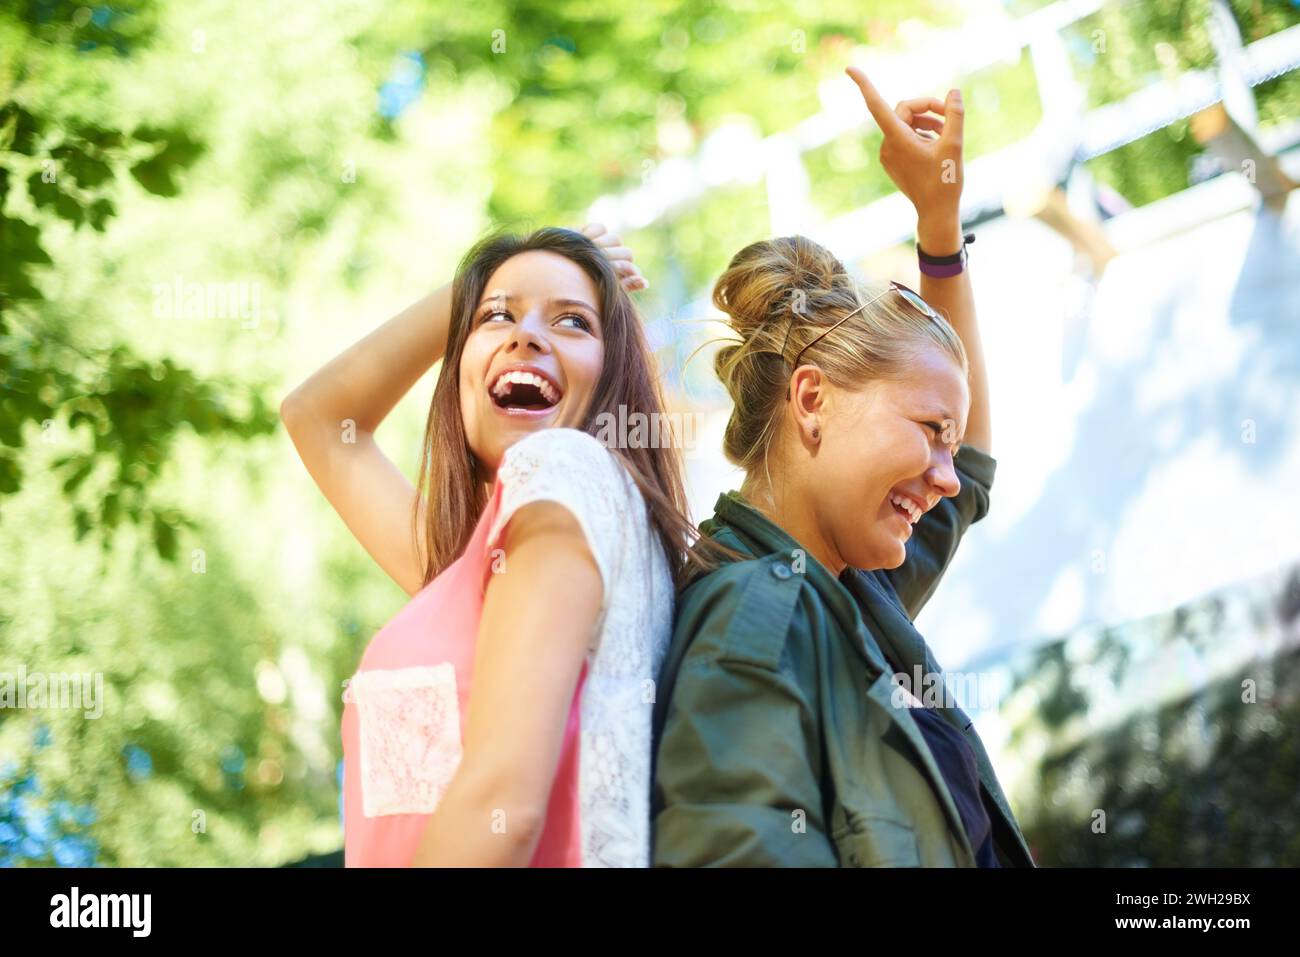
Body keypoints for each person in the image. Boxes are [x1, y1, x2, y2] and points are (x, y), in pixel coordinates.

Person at [650, 69, 1036, 867]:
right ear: (813, 399)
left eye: (946, 439)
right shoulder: (752, 616)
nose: (948, 475)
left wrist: (940, 228)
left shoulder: (848, 583)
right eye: (927, 430)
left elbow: (974, 469)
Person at [282, 224, 696, 866]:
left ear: (614, 384)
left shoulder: (569, 472)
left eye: (574, 323)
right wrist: (480, 284)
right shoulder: (464, 566)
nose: (526, 335)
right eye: (496, 319)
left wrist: (498, 295)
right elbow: (318, 417)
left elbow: (504, 803)